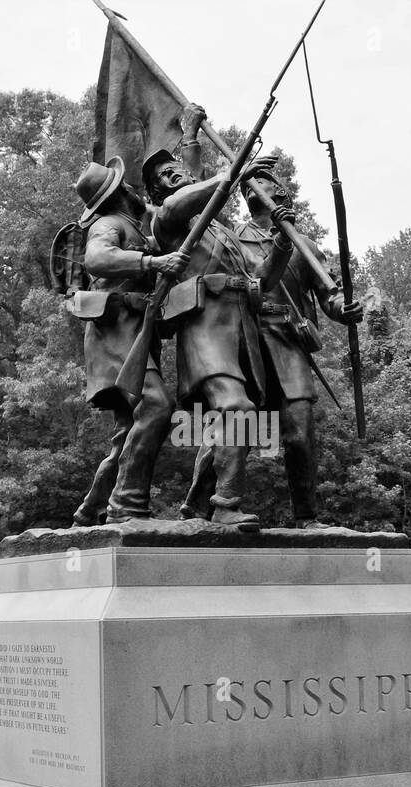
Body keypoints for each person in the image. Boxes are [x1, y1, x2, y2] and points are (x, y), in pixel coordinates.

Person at [180, 168, 363, 527]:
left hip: (289, 341)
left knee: (300, 430)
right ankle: (197, 504)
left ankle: (307, 518)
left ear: (280, 192)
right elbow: (257, 281)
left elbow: (330, 294)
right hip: (245, 337)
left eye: (262, 182)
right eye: (249, 184)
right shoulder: (232, 239)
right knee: (239, 425)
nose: (253, 188)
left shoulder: (306, 245)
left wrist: (345, 310)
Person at [141, 119, 296, 530]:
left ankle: (194, 503)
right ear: (159, 191)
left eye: (176, 167)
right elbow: (192, 198)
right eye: (163, 175)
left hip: (241, 327)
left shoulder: (223, 232)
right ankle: (225, 504)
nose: (173, 172)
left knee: (231, 420)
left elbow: (262, 278)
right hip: (204, 329)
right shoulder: (167, 219)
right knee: (236, 409)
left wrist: (283, 238)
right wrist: (235, 172)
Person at [68, 156, 187, 525]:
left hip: (137, 332)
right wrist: (154, 263)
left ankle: (89, 510)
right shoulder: (108, 224)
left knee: (127, 432)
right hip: (114, 330)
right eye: (126, 184)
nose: (133, 188)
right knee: (156, 406)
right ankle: (126, 506)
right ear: (119, 192)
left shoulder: (136, 227)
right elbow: (98, 259)